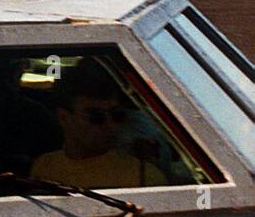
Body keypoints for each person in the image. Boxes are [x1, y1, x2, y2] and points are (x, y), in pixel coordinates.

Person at [30, 62, 166, 188]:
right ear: (64, 117)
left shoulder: (143, 176)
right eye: (96, 117)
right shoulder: (45, 167)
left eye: (116, 115)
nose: (111, 125)